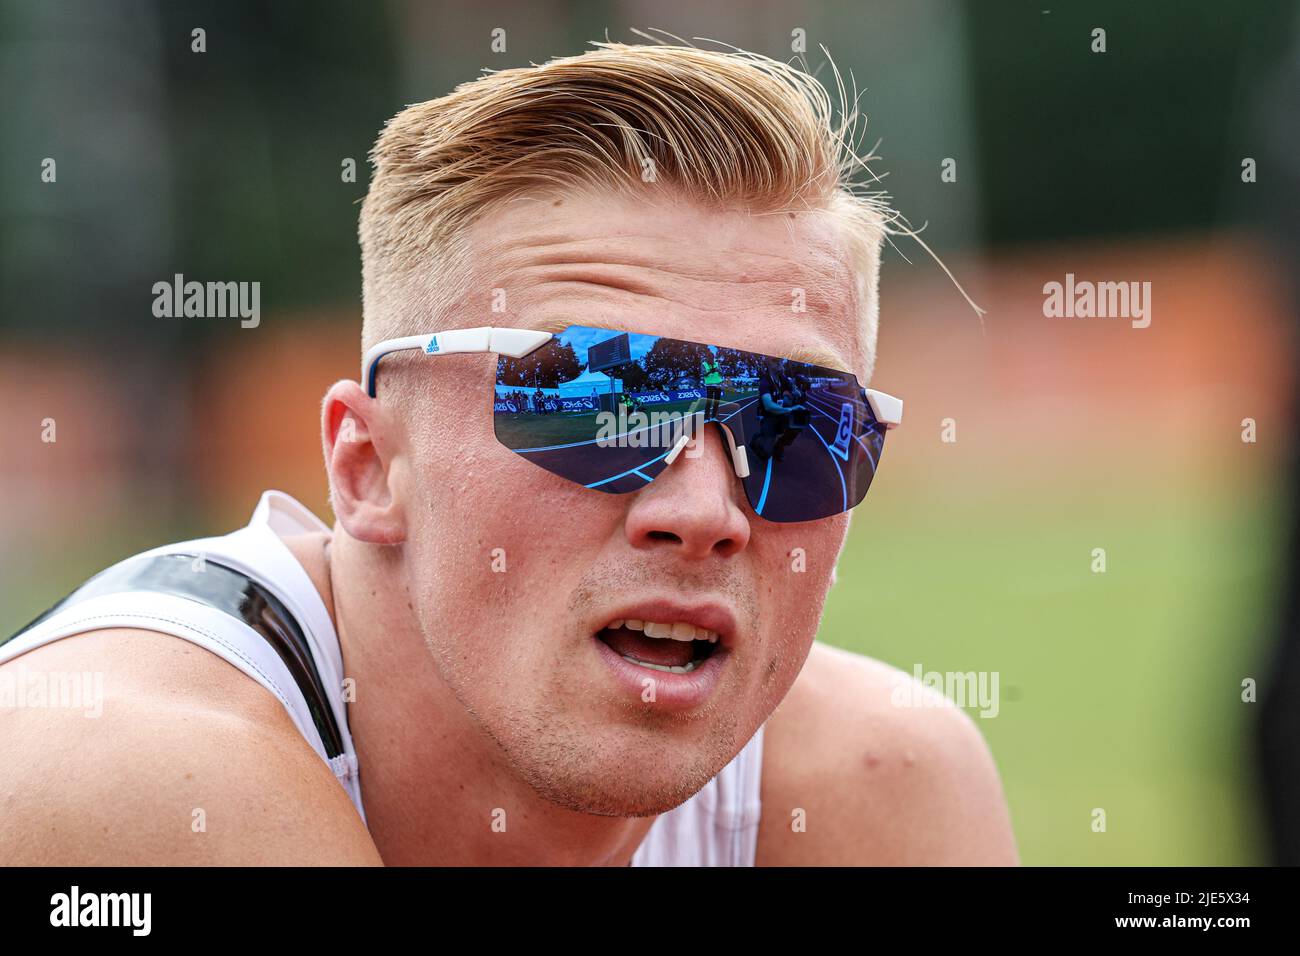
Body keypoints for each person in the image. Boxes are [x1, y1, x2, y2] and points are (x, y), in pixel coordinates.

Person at [0, 43, 1016, 866]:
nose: (706, 508)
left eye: (797, 427)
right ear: (365, 465)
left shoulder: (881, 778)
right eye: (599, 401)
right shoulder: (136, 770)